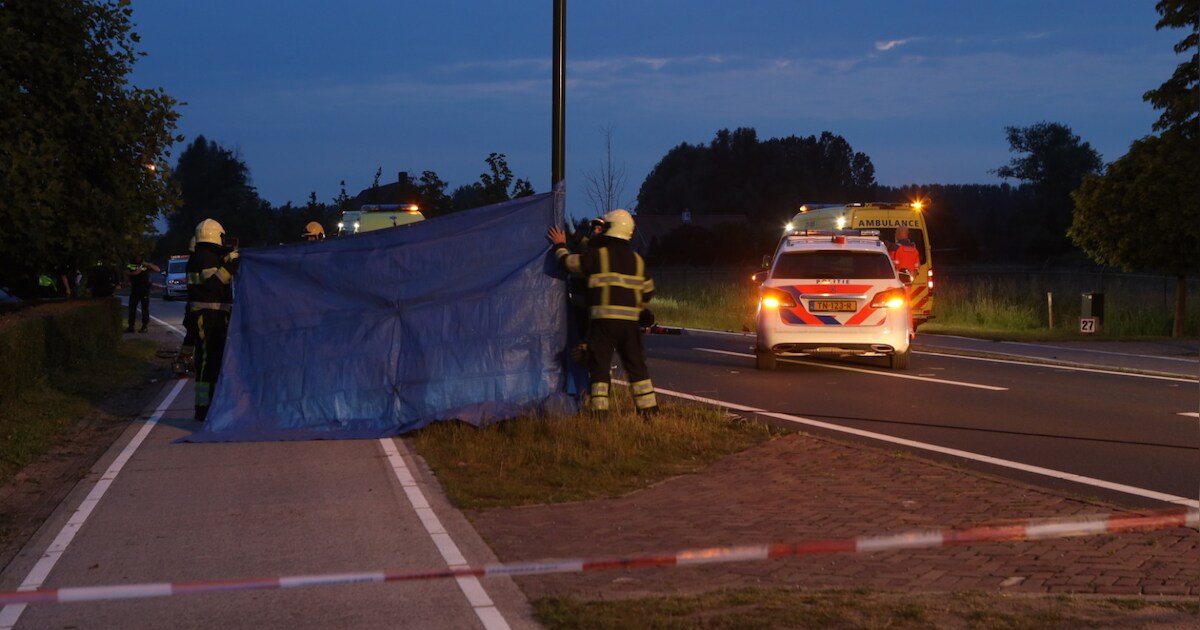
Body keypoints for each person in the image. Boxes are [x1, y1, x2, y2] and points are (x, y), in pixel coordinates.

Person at [547, 209, 658, 417]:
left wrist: (560, 246)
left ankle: (600, 414)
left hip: (603, 325)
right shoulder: (637, 261)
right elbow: (648, 291)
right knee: (637, 369)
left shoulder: (599, 256)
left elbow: (569, 264)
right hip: (629, 326)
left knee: (599, 368)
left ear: (610, 229)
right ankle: (649, 412)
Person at [187, 219, 240, 422]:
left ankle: (207, 407)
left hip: (213, 317)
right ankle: (203, 409)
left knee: (213, 362)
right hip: (207, 318)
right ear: (216, 235)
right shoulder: (205, 258)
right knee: (207, 362)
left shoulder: (205, 256)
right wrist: (229, 267)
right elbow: (212, 286)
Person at [124, 254, 160, 332]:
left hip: (144, 289)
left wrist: (148, 264)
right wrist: (141, 267)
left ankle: (144, 326)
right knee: (132, 308)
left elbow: (157, 269)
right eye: (137, 256)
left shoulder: (145, 264)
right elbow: (134, 273)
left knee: (145, 308)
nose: (138, 257)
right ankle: (131, 326)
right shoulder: (131, 265)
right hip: (135, 288)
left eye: (139, 256)